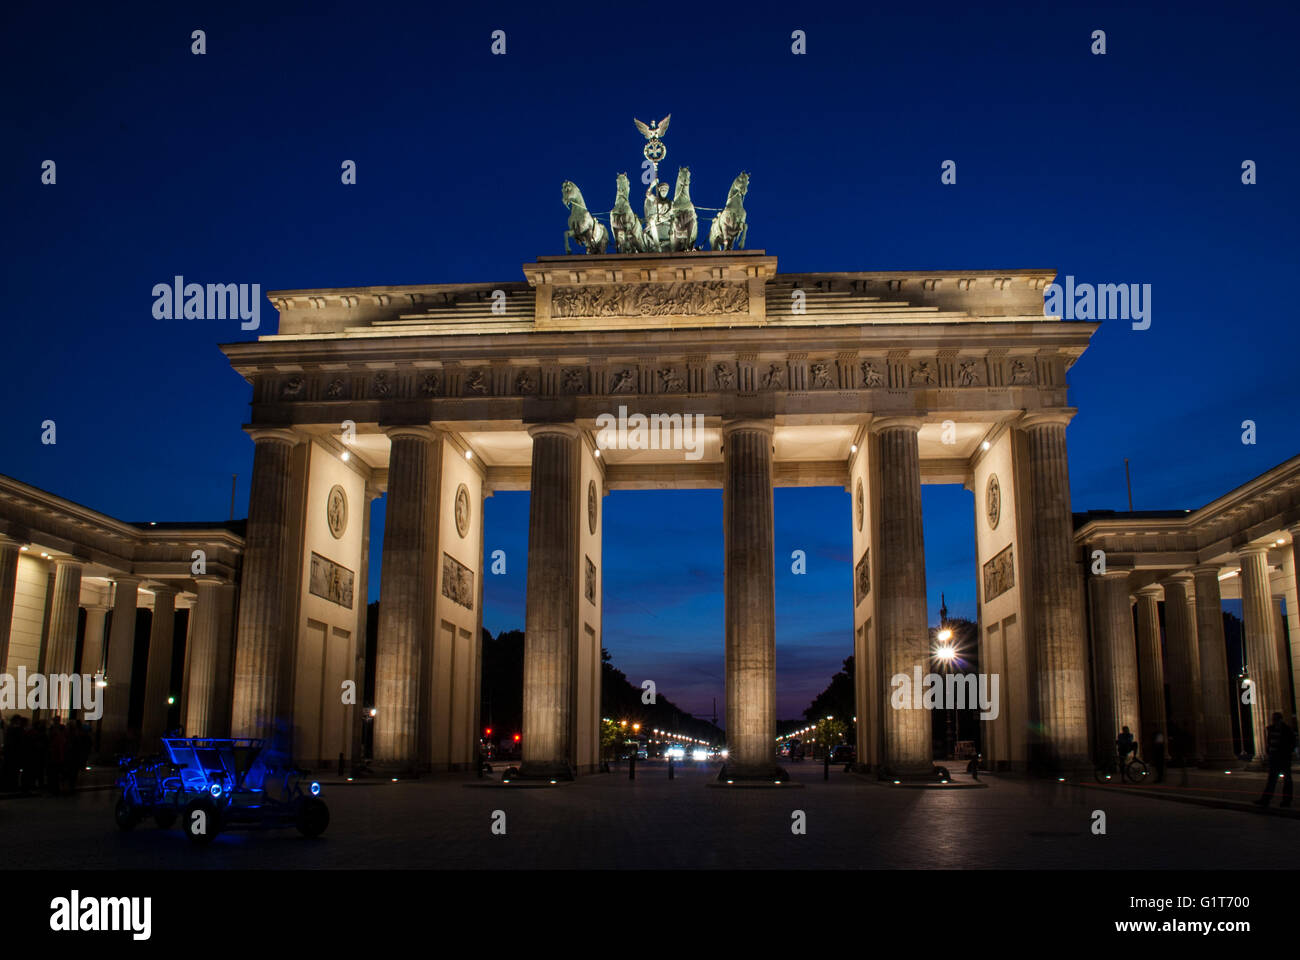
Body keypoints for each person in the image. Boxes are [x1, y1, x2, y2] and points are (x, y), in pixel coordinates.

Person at [1255, 712, 1296, 809]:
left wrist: (1286, 753)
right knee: (1272, 780)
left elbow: (1291, 743)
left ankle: (1286, 800)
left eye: (1276, 719)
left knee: (1286, 780)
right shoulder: (1272, 729)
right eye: (1274, 719)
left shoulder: (1286, 730)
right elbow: (1270, 742)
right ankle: (1266, 799)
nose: (1274, 721)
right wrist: (1268, 752)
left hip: (1283, 758)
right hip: (1274, 757)